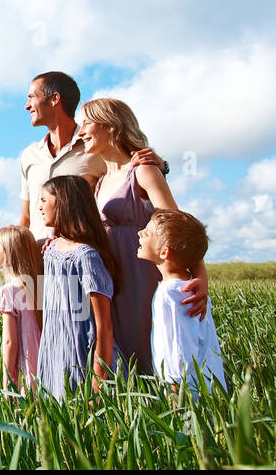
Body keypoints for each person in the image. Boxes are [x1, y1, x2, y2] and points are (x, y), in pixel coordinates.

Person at [79, 97, 208, 376]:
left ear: (111, 126)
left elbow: (178, 228)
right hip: (112, 279)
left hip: (141, 276)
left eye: (86, 123)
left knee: (148, 350)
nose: (80, 132)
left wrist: (200, 276)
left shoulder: (144, 171)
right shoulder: (100, 181)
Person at [18, 72, 166, 241]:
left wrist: (161, 168)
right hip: (40, 257)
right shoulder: (29, 155)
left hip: (84, 255)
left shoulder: (97, 147)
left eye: (31, 97)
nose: (27, 105)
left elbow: (136, 182)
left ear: (54, 99)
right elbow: (26, 217)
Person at [35, 175, 119, 399]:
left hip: (81, 351)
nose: (39, 206)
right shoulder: (51, 250)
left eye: (44, 199)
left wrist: (98, 382)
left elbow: (104, 326)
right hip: (54, 349)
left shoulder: (86, 257)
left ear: (63, 202)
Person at [137, 209, 226, 398]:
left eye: (147, 232)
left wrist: (174, 383)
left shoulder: (170, 293)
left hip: (184, 389)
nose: (140, 233)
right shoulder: (193, 290)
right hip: (207, 384)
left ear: (164, 252)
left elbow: (177, 342)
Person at [0, 225, 43, 393]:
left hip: (27, 364)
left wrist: (6, 378)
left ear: (6, 252)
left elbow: (9, 341)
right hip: (46, 360)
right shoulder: (40, 285)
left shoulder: (8, 291)